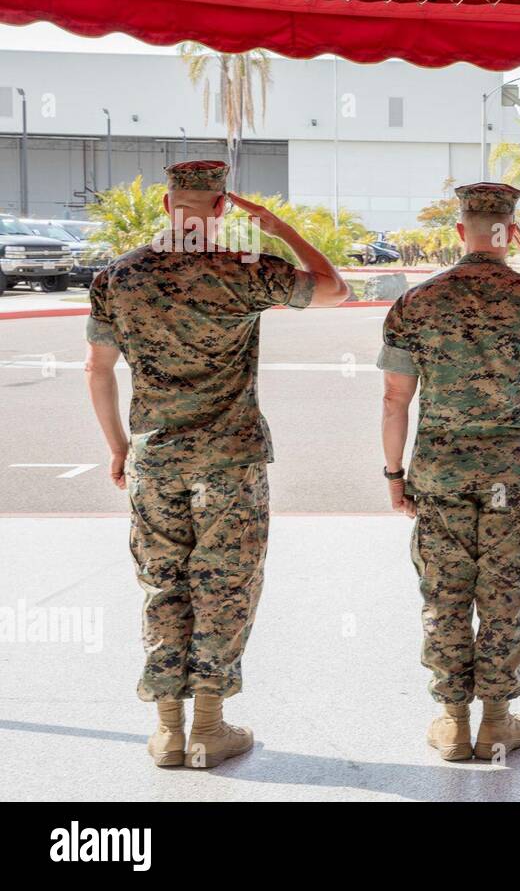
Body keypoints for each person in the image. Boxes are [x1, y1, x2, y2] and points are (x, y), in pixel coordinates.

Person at [84, 160, 349, 768]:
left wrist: (119, 448)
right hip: (230, 460)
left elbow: (97, 369)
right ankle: (210, 726)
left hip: (155, 457)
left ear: (166, 203)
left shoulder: (118, 276)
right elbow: (334, 289)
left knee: (163, 586)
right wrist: (278, 228)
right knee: (225, 585)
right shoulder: (244, 269)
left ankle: (169, 732)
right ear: (223, 207)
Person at [378, 182, 520, 762]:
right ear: (511, 232)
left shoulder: (418, 302)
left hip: (440, 478)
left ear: (461, 231)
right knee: (506, 596)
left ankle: (454, 723)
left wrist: (393, 474)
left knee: (445, 594)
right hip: (518, 479)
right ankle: (498, 722)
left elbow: (393, 400)